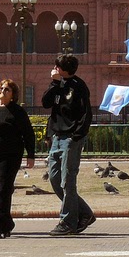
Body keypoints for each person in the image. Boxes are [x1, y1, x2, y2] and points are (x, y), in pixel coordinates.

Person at [42, 53, 95, 236]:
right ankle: (85, 213)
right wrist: (55, 83)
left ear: (64, 69)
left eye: (57, 67)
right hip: (56, 137)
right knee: (55, 179)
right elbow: (45, 103)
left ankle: (68, 222)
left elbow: (86, 114)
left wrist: (76, 136)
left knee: (67, 181)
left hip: (70, 139)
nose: (55, 69)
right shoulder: (58, 84)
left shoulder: (79, 87)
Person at [0, 79, 36, 239]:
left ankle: (0, 227)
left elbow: (28, 134)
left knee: (3, 190)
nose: (3, 90)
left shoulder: (17, 111)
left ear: (13, 94)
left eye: (7, 89)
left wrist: (30, 155)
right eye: (1, 88)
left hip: (9, 156)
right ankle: (7, 223)